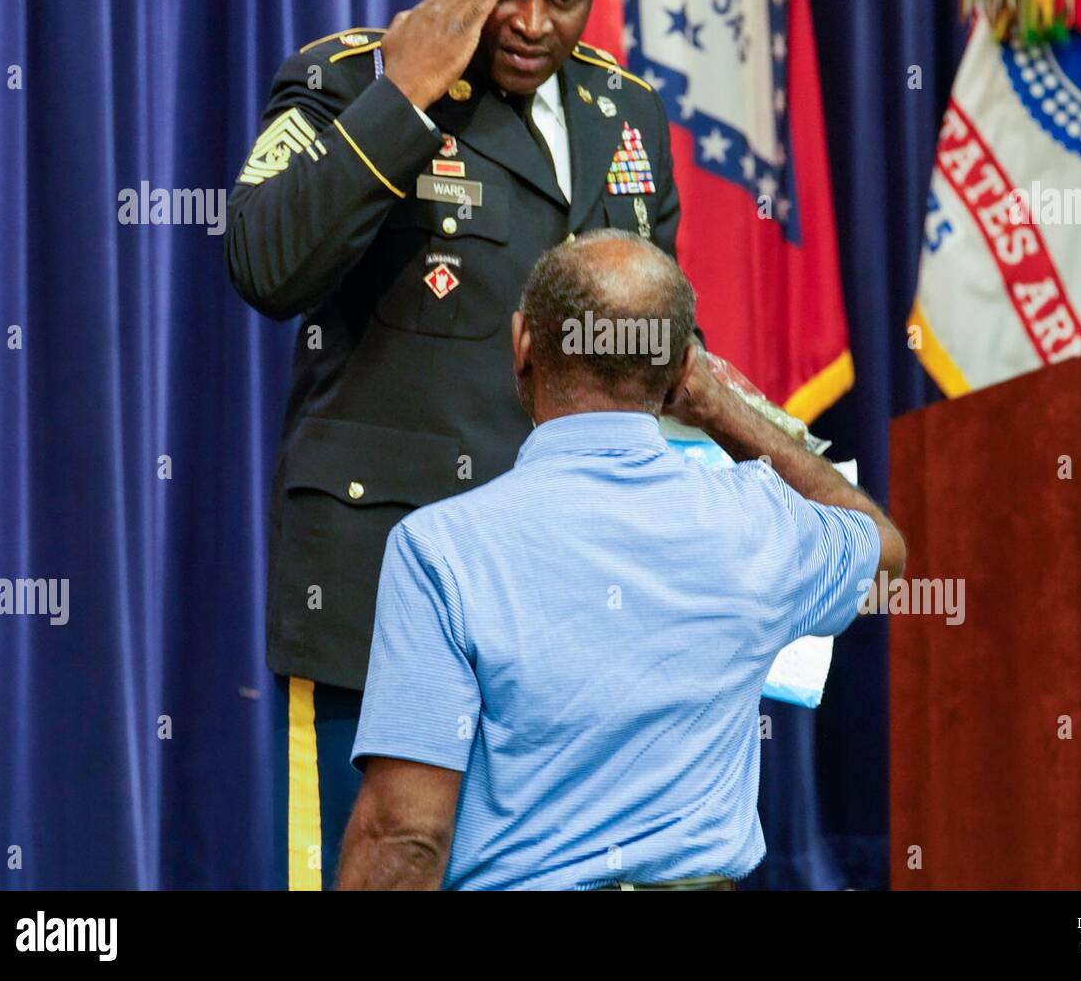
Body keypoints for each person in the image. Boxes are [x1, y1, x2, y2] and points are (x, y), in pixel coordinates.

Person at [224, 0, 685, 889]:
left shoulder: (629, 118)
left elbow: (652, 347)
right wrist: (404, 91)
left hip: (575, 606)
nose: (530, 22)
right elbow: (264, 261)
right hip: (383, 590)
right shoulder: (346, 77)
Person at [338, 231, 906, 891]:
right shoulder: (758, 519)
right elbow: (883, 553)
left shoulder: (441, 550)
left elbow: (406, 834)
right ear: (679, 370)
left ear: (523, 345)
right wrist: (728, 413)